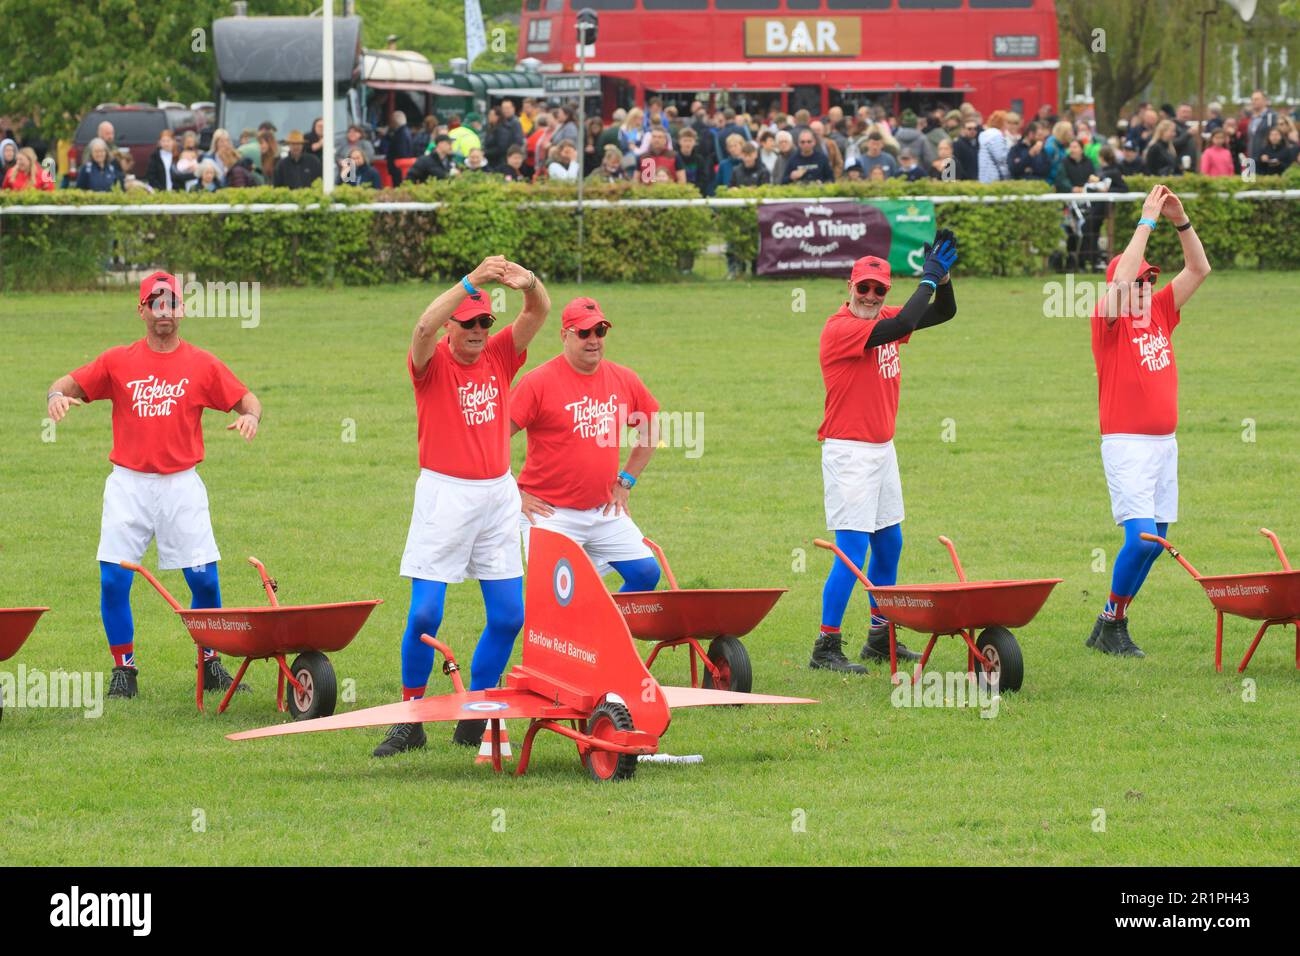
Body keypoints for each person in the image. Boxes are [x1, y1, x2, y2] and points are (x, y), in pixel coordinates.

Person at [45, 272, 263, 700]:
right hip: (129, 485)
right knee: (113, 581)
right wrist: (55, 396)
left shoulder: (202, 364)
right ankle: (123, 669)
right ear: (141, 310)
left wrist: (251, 416)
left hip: (181, 486)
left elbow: (248, 399)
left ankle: (211, 663)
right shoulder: (116, 361)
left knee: (203, 579)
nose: (164, 310)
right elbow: (64, 383)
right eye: (155, 302)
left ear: (182, 309)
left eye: (172, 302)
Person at [373, 257, 550, 757]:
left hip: (497, 495)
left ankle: (476, 709)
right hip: (445, 494)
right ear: (453, 324)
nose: (477, 330)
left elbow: (538, 315)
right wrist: (472, 281)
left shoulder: (499, 356)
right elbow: (423, 326)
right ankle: (411, 717)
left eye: (484, 321)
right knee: (426, 611)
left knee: (509, 616)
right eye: (468, 321)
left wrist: (528, 284)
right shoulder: (431, 364)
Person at [814, 238, 959, 673]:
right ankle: (826, 645)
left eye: (879, 291)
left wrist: (943, 278)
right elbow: (900, 326)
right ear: (850, 286)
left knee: (890, 542)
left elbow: (942, 312)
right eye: (865, 289)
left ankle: (881, 635)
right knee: (852, 551)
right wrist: (928, 277)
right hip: (850, 454)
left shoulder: (887, 316)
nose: (871, 298)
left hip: (882, 450)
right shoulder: (840, 328)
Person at [1087, 186, 1211, 657]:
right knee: (1141, 538)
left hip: (1164, 445)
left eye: (1147, 281)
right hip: (1128, 444)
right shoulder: (1109, 316)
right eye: (1137, 281)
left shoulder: (1160, 309)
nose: (1143, 287)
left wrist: (1180, 219)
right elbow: (1119, 284)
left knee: (1156, 543)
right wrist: (1146, 220)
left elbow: (1200, 269)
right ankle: (1112, 622)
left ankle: (1110, 621)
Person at [510, 297, 661, 593]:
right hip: (548, 514)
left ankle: (608, 636)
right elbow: (493, 440)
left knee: (645, 573)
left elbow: (651, 428)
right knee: (563, 595)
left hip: (603, 509)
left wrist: (626, 481)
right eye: (584, 333)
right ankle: (577, 635)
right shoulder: (538, 382)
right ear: (564, 335)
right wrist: (515, 494)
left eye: (600, 332)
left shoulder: (624, 379)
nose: (593, 340)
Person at [977, 111, 1011, 182]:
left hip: (984, 177)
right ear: (1001, 123)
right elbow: (1001, 159)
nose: (1008, 125)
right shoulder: (996, 136)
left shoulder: (986, 135)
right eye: (1007, 122)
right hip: (995, 178)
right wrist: (1008, 177)